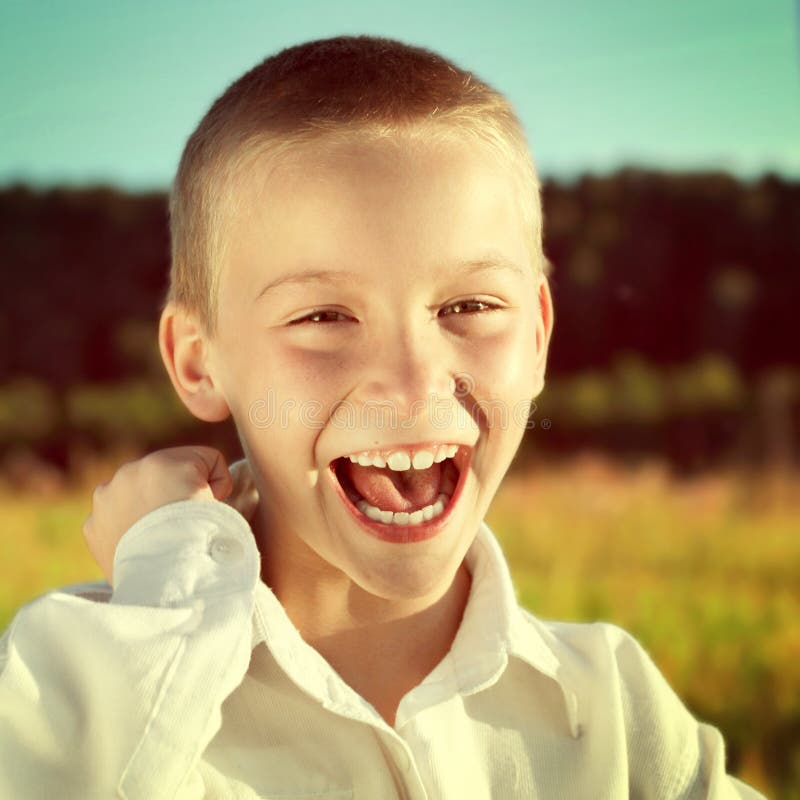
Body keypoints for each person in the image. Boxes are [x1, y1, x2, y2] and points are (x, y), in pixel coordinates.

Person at [0, 35, 765, 799]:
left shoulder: (617, 715)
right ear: (199, 361)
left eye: (469, 305)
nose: (411, 385)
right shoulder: (70, 682)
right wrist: (166, 585)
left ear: (536, 338)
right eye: (326, 315)